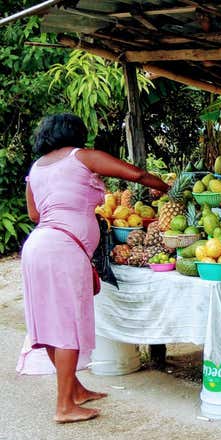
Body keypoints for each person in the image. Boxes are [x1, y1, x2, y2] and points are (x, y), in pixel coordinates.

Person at [22, 113, 169, 423]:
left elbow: (35, 214)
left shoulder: (36, 169)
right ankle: (64, 406)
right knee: (66, 326)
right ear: (76, 134)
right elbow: (138, 176)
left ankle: (75, 390)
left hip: (39, 246)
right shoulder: (82, 156)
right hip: (62, 248)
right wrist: (167, 187)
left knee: (50, 324)